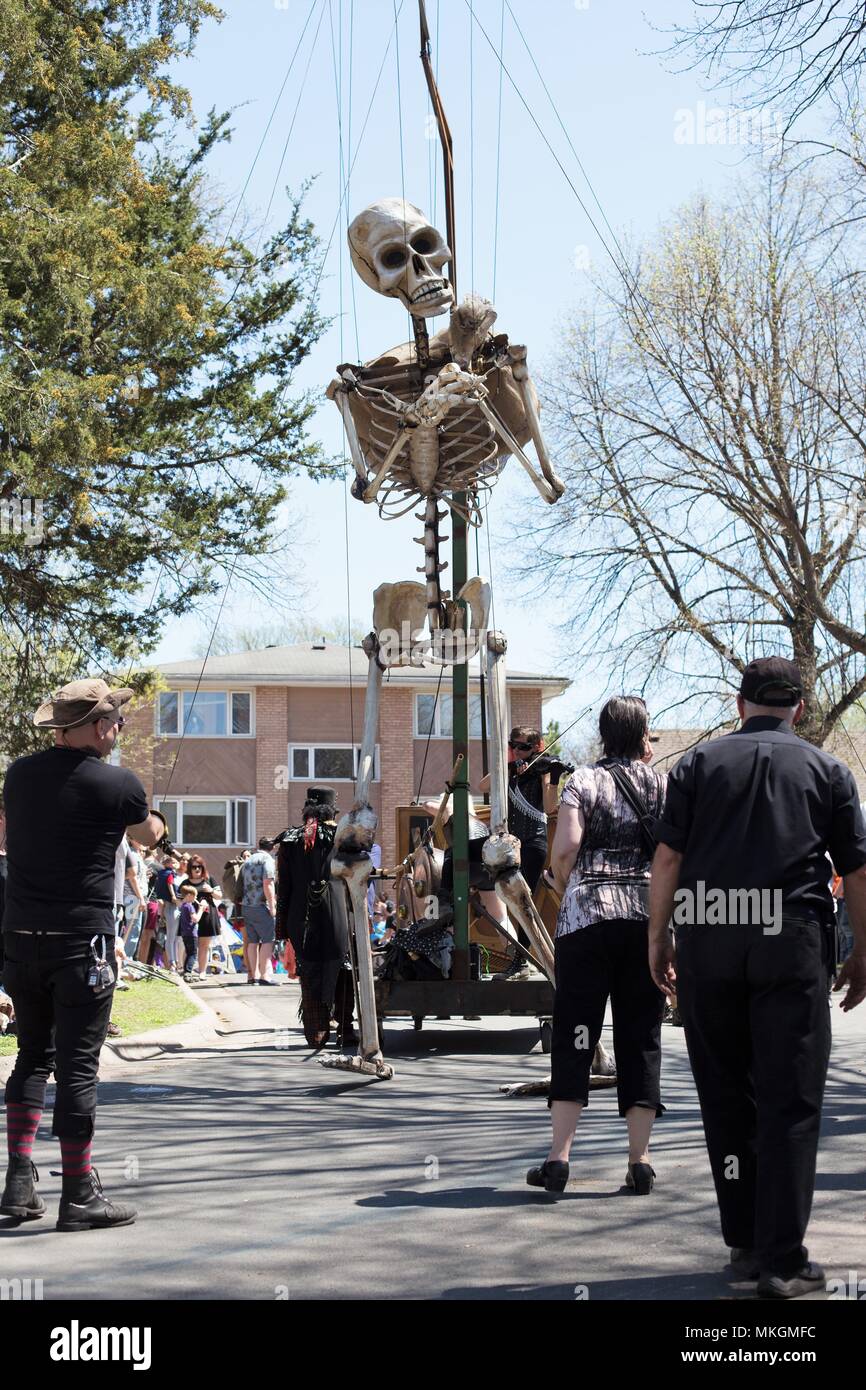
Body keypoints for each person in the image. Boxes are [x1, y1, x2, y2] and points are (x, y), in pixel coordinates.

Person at [649, 656, 866, 1299]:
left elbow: (667, 857)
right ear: (797, 707)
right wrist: (863, 951)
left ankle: (744, 1242)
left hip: (709, 937)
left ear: (740, 704)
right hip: (790, 945)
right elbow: (856, 871)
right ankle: (783, 1258)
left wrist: (658, 939)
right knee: (790, 1099)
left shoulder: (695, 765)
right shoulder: (828, 771)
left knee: (726, 1094)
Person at [0, 678, 165, 1231]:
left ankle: (18, 1182)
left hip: (21, 941)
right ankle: (78, 1194)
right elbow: (148, 831)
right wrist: (155, 820)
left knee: (31, 1057)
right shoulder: (117, 784)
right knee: (77, 1068)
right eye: (117, 722)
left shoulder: (18, 776)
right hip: (82, 946)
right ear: (98, 727)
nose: (119, 730)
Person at [527, 696, 666, 1196]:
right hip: (645, 921)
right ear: (643, 733)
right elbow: (675, 855)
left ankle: (558, 1158)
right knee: (640, 1033)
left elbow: (564, 848)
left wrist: (569, 883)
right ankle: (640, 1160)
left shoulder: (582, 781)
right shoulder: (661, 785)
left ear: (605, 733)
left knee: (577, 1034)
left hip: (586, 920)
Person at [481, 727, 572, 981]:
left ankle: (521, 961)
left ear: (536, 748)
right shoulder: (510, 768)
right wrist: (509, 765)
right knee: (512, 902)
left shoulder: (542, 769)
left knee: (522, 900)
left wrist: (554, 779)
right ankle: (523, 959)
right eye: (514, 746)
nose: (518, 751)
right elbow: (483, 785)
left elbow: (551, 805)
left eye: (523, 747)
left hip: (533, 842)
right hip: (512, 844)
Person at [274, 786, 356, 1048]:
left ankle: (316, 1029)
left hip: (300, 914)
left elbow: (283, 887)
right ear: (332, 810)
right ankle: (345, 1026)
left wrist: (282, 925)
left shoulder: (290, 840)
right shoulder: (342, 838)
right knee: (341, 967)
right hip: (336, 911)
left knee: (309, 968)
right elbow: (358, 876)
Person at [239, 837, 278, 985]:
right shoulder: (267, 860)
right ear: (272, 847)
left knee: (252, 942)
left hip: (246, 906)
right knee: (268, 941)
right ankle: (264, 976)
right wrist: (272, 906)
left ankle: (252, 976)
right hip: (261, 906)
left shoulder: (248, 860)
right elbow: (268, 883)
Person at [177, 856, 222, 978]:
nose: (197, 869)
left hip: (207, 916)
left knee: (204, 945)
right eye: (194, 867)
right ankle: (187, 971)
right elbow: (178, 900)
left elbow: (219, 896)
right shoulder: (185, 883)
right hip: (189, 918)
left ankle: (202, 972)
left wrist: (211, 890)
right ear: (189, 869)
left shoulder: (209, 879)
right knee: (189, 945)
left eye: (199, 867)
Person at [155, 852, 180, 971]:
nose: (176, 864)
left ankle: (173, 961)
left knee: (171, 936)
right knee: (171, 937)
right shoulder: (170, 874)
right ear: (168, 863)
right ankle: (172, 962)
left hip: (166, 905)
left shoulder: (161, 874)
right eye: (173, 862)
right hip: (172, 905)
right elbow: (170, 884)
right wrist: (173, 896)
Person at [178, 884, 204, 981]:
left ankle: (186, 971)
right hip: (191, 933)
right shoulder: (189, 906)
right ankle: (188, 972)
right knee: (193, 953)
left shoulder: (183, 905)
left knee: (189, 953)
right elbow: (195, 919)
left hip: (185, 933)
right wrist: (201, 910)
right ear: (189, 895)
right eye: (195, 896)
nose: (196, 898)